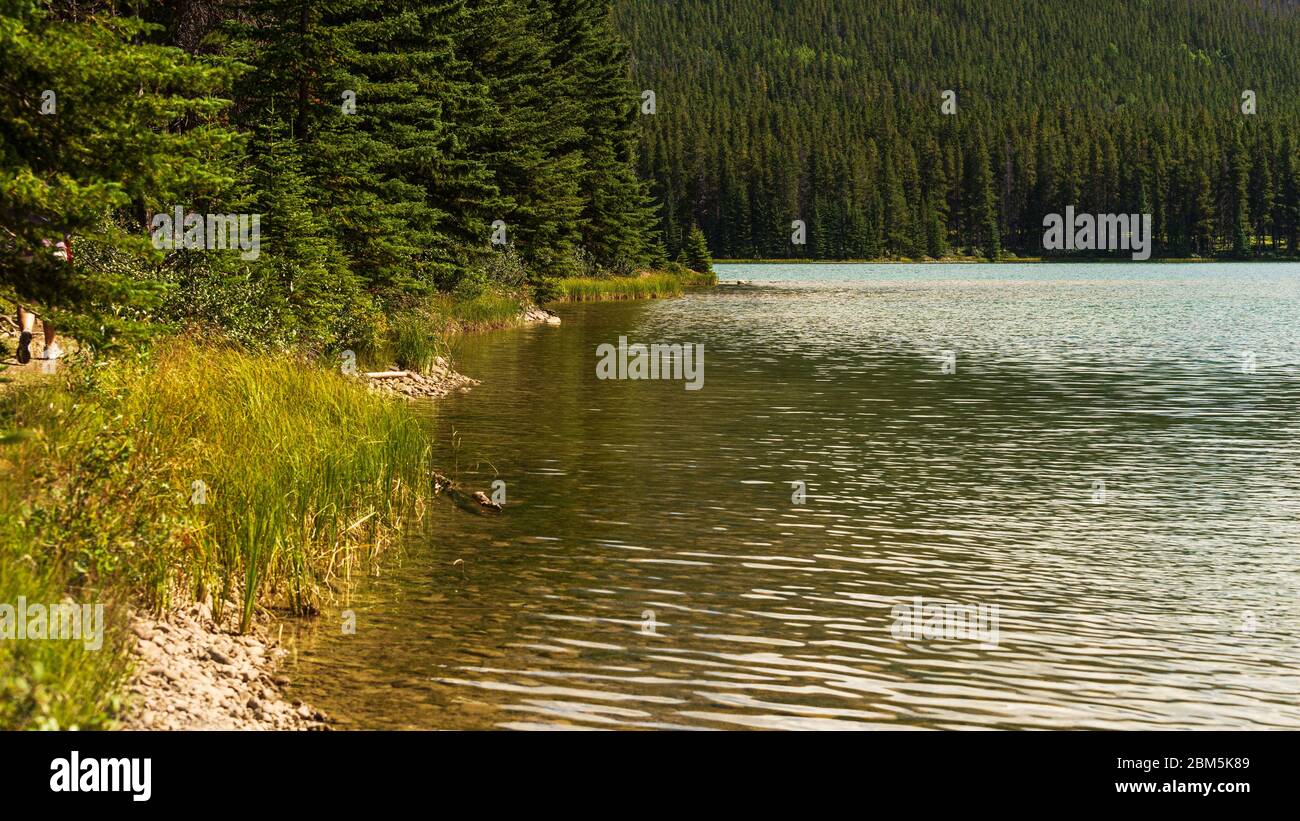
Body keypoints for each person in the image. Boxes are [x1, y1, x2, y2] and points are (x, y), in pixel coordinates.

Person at [14, 234, 68, 364]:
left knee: (27, 299)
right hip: (54, 251)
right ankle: (49, 349)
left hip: (27, 250)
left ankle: (26, 331)